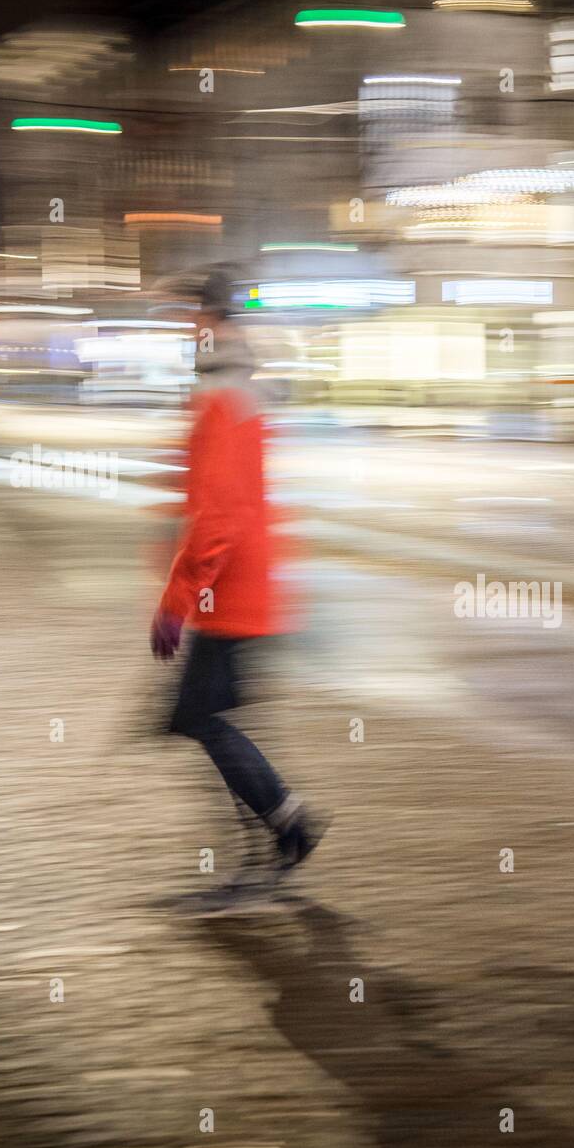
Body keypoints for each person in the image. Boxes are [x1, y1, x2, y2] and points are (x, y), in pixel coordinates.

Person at [151, 267, 325, 900]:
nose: (187, 329)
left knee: (199, 717)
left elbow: (220, 514)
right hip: (235, 591)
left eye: (193, 317)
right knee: (203, 717)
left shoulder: (222, 397)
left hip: (228, 595)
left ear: (213, 321)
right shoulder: (231, 389)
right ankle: (272, 836)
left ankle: (287, 826)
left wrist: (177, 598)